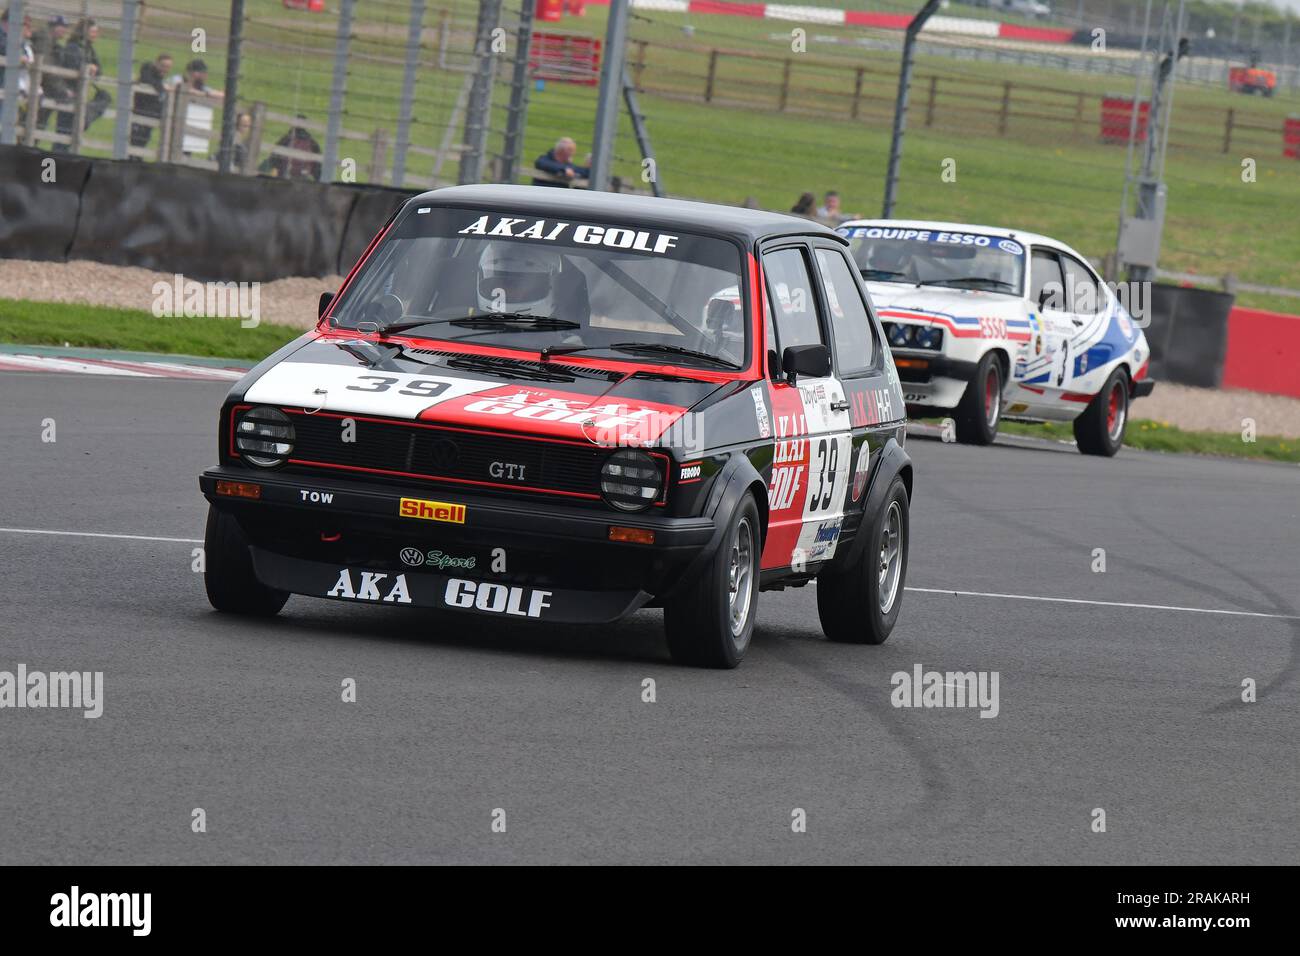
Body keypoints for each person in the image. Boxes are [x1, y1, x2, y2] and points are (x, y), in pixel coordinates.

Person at [56, 18, 111, 149]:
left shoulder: (88, 48)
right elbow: (72, 67)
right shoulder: (73, 47)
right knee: (63, 137)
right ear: (84, 31)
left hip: (81, 95)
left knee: (105, 97)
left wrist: (93, 68)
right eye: (93, 31)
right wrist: (87, 67)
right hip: (69, 93)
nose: (95, 34)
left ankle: (86, 117)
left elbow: (99, 71)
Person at [29, 15, 69, 132]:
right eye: (62, 27)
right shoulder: (45, 39)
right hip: (38, 87)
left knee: (37, 123)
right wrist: (61, 89)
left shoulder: (52, 42)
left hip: (42, 87)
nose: (65, 30)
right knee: (35, 124)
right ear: (54, 28)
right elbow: (46, 68)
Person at [130, 53, 173, 149]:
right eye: (163, 66)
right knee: (136, 142)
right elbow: (147, 79)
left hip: (151, 115)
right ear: (156, 63)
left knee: (143, 141)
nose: (165, 69)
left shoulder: (159, 78)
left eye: (168, 67)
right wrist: (162, 89)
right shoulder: (147, 68)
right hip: (140, 112)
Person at [267, 114, 322, 180]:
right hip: (303, 178)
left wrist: (279, 170)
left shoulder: (286, 140)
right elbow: (317, 167)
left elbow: (273, 160)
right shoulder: (312, 143)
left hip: (284, 177)